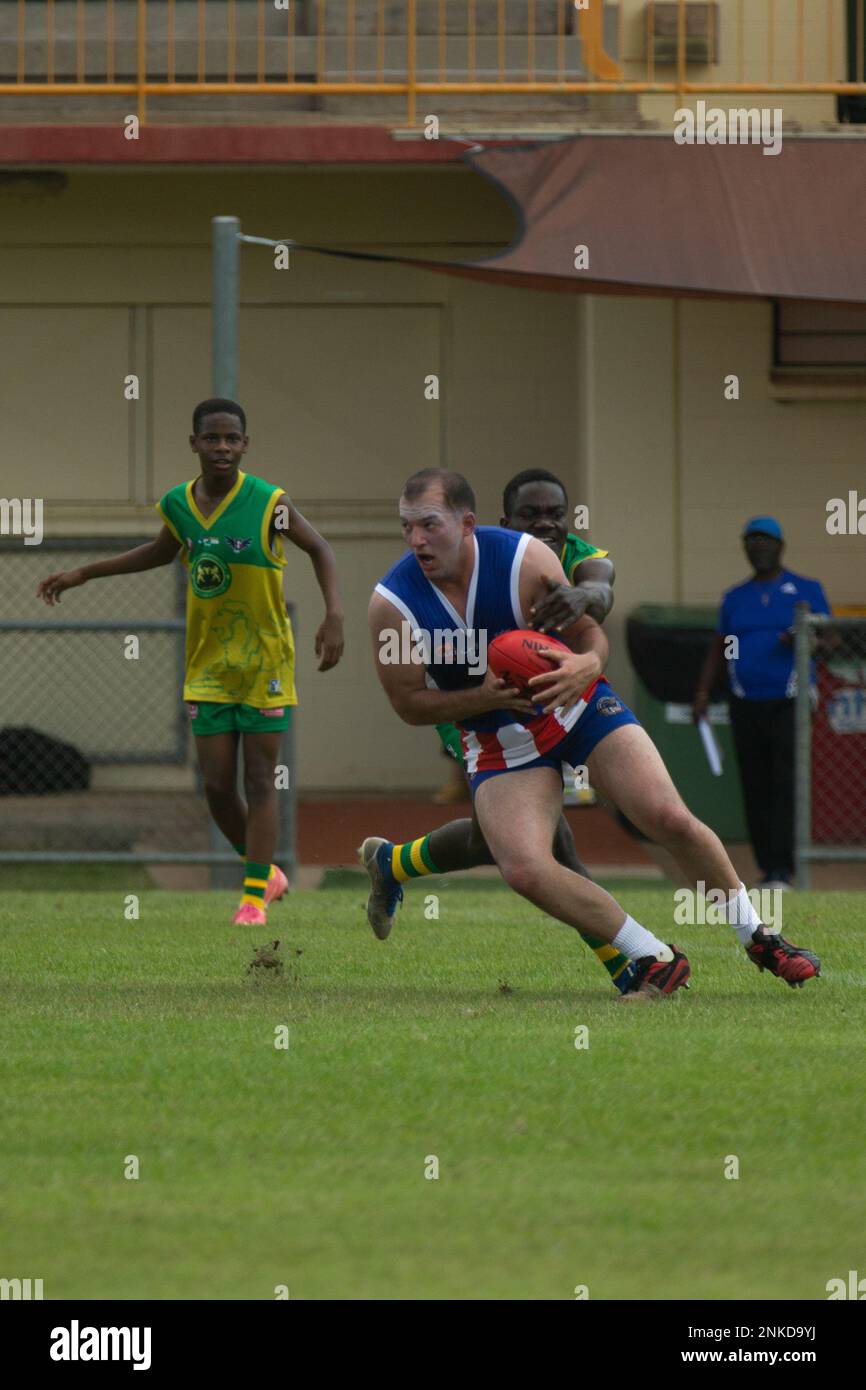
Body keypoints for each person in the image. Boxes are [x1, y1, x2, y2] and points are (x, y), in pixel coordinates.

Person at [367, 469, 820, 1001]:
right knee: (524, 866)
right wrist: (486, 698)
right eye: (407, 527)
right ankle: (652, 956)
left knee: (666, 816)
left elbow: (591, 631)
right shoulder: (392, 605)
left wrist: (586, 664)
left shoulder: (524, 560)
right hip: (498, 739)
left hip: (579, 708)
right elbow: (408, 704)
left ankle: (758, 936)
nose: (416, 539)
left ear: (467, 524)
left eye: (429, 524)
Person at [37, 398, 345, 926]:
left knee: (260, 779)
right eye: (212, 438)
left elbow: (320, 549)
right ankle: (265, 872)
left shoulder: (269, 501)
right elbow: (160, 551)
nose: (222, 447)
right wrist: (84, 573)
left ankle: (252, 899)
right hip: (208, 664)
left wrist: (333, 614)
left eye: (232, 438)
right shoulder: (178, 504)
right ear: (194, 444)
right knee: (217, 787)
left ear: (245, 445)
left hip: (264, 659)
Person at [361, 467, 637, 994]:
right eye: (532, 517)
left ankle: (391, 863)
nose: (547, 525)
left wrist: (587, 608)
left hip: (558, 705)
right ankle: (630, 964)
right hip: (484, 716)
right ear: (500, 524)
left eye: (556, 514)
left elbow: (600, 587)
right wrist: (483, 696)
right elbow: (408, 702)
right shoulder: (477, 561)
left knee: (499, 843)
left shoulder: (568, 554)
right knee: (551, 849)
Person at [694, 516, 831, 890]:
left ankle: (783, 868)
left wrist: (804, 640)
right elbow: (720, 647)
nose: (759, 549)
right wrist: (703, 692)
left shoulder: (804, 590)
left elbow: (830, 640)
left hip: (791, 698)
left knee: (784, 779)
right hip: (744, 699)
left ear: (780, 547)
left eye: (765, 542)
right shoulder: (735, 597)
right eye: (751, 543)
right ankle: (766, 865)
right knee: (754, 782)